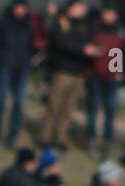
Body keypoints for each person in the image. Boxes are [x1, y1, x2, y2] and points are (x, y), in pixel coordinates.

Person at [42, 0, 93, 149]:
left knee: (68, 109)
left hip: (78, 73)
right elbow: (61, 42)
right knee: (54, 105)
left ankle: (61, 138)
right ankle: (45, 136)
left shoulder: (85, 26)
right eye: (80, 6)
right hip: (63, 71)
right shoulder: (62, 22)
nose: (83, 10)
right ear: (71, 8)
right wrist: (82, 49)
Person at [0, 0, 35, 146]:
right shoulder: (3, 22)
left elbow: (32, 45)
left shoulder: (29, 24)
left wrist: (29, 61)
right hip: (5, 65)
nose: (20, 10)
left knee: (19, 103)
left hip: (22, 68)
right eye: (18, 7)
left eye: (23, 8)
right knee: (2, 101)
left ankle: (12, 136)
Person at [86, 5, 125, 156]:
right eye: (107, 13)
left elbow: (122, 53)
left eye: (112, 13)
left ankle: (108, 141)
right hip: (95, 75)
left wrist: (119, 71)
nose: (109, 16)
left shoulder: (120, 31)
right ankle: (92, 139)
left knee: (110, 110)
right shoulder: (94, 29)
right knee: (93, 109)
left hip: (111, 76)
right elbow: (87, 50)